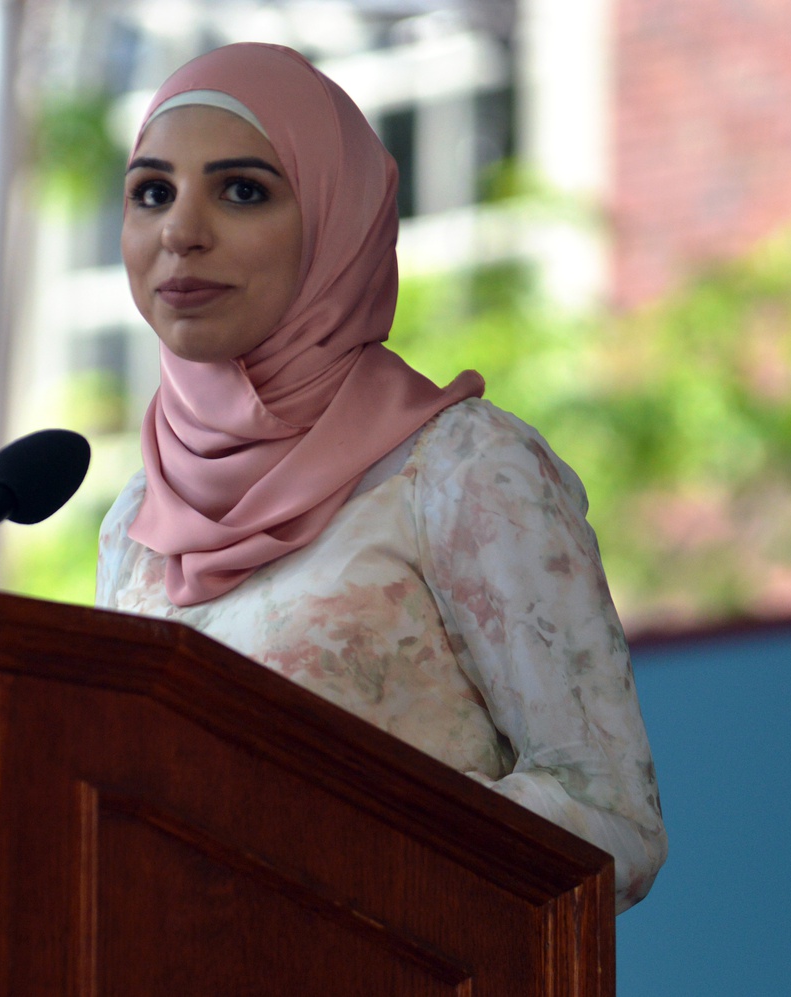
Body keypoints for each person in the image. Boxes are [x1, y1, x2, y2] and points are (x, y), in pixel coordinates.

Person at [95, 42, 666, 913]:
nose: (180, 230)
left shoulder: (461, 468)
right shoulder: (134, 521)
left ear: (339, 219)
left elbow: (612, 818)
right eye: (152, 192)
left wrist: (327, 845)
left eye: (243, 190)